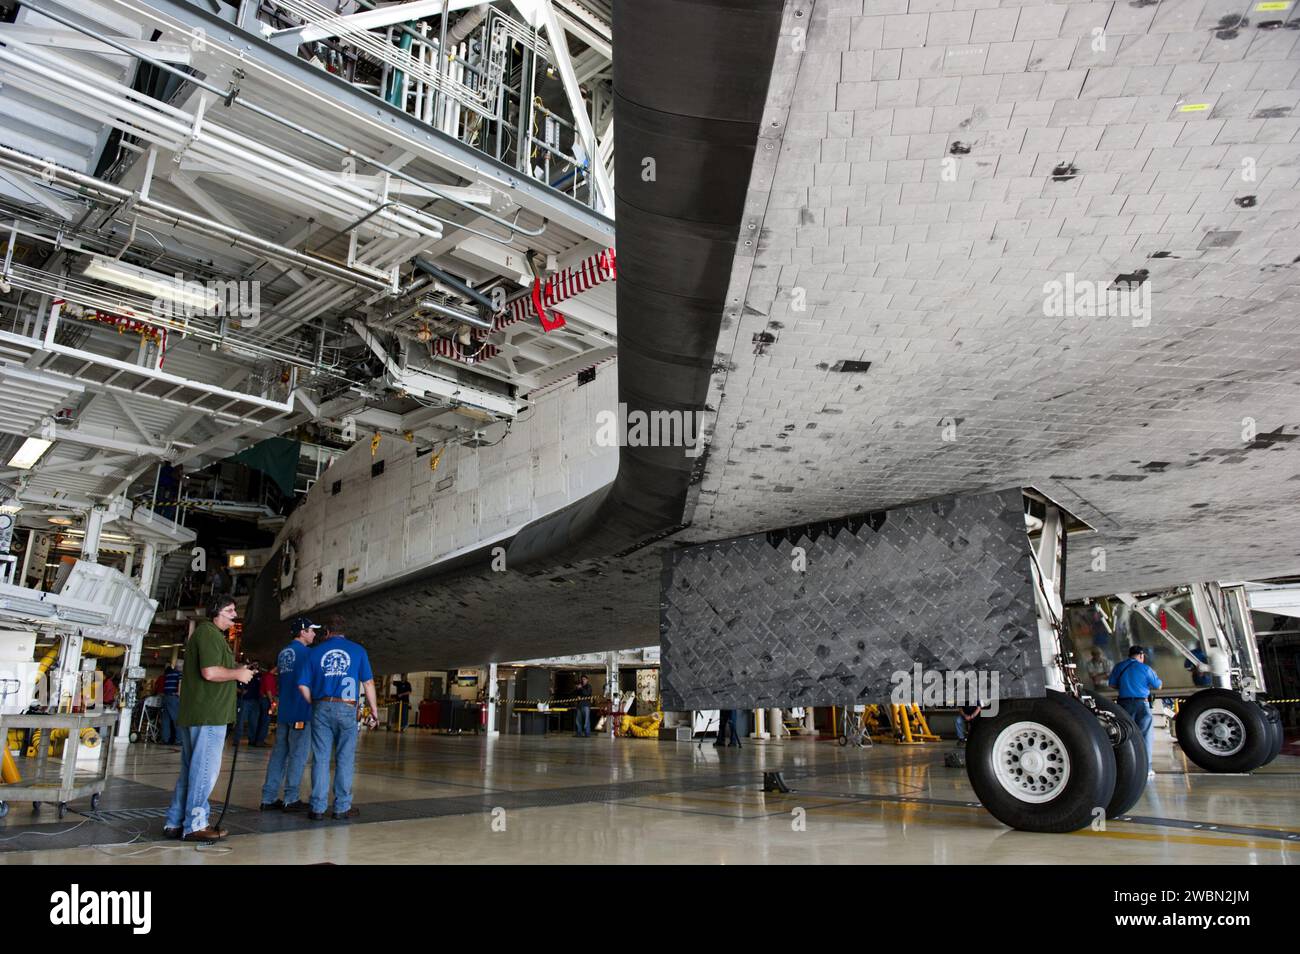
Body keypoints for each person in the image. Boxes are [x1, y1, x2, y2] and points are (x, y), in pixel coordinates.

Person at [164, 595, 254, 842]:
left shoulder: (211, 637)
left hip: (200, 713)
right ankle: (195, 824)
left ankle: (175, 822)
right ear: (216, 612)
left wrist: (238, 673)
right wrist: (239, 674)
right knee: (204, 772)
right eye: (230, 610)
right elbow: (210, 672)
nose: (234, 615)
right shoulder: (208, 634)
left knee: (190, 771)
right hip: (208, 715)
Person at [298, 614, 377, 821]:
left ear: (326, 632)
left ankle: (317, 808)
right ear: (344, 631)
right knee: (345, 758)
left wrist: (312, 703)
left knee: (321, 758)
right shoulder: (358, 651)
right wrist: (374, 711)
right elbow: (368, 684)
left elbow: (302, 684)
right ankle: (341, 807)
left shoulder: (314, 652)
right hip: (347, 707)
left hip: (321, 706)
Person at [260, 617, 319, 811]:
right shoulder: (307, 653)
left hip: (285, 710)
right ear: (302, 632)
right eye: (311, 630)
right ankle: (291, 798)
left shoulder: (284, 653)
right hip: (301, 710)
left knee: (279, 755)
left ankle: (268, 797)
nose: (314, 634)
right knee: (298, 755)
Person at [1109, 645, 1162, 778]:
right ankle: (1147, 767)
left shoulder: (1119, 666)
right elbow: (1158, 686)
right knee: (1145, 735)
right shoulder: (1145, 668)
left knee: (1126, 734)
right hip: (1142, 704)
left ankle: (1127, 765)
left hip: (1123, 704)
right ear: (1141, 655)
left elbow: (1112, 685)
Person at [236, 662, 263, 745]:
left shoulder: (259, 676)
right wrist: (240, 691)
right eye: (254, 664)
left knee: (253, 722)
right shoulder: (244, 673)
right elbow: (234, 684)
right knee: (240, 721)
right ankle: (236, 740)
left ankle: (252, 741)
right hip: (244, 700)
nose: (256, 666)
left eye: (257, 665)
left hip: (256, 701)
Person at [160, 663, 182, 745]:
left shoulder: (168, 674)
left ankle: (165, 739)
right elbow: (180, 682)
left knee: (166, 720)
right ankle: (179, 740)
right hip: (173, 697)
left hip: (165, 697)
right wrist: (179, 693)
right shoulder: (179, 673)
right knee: (177, 719)